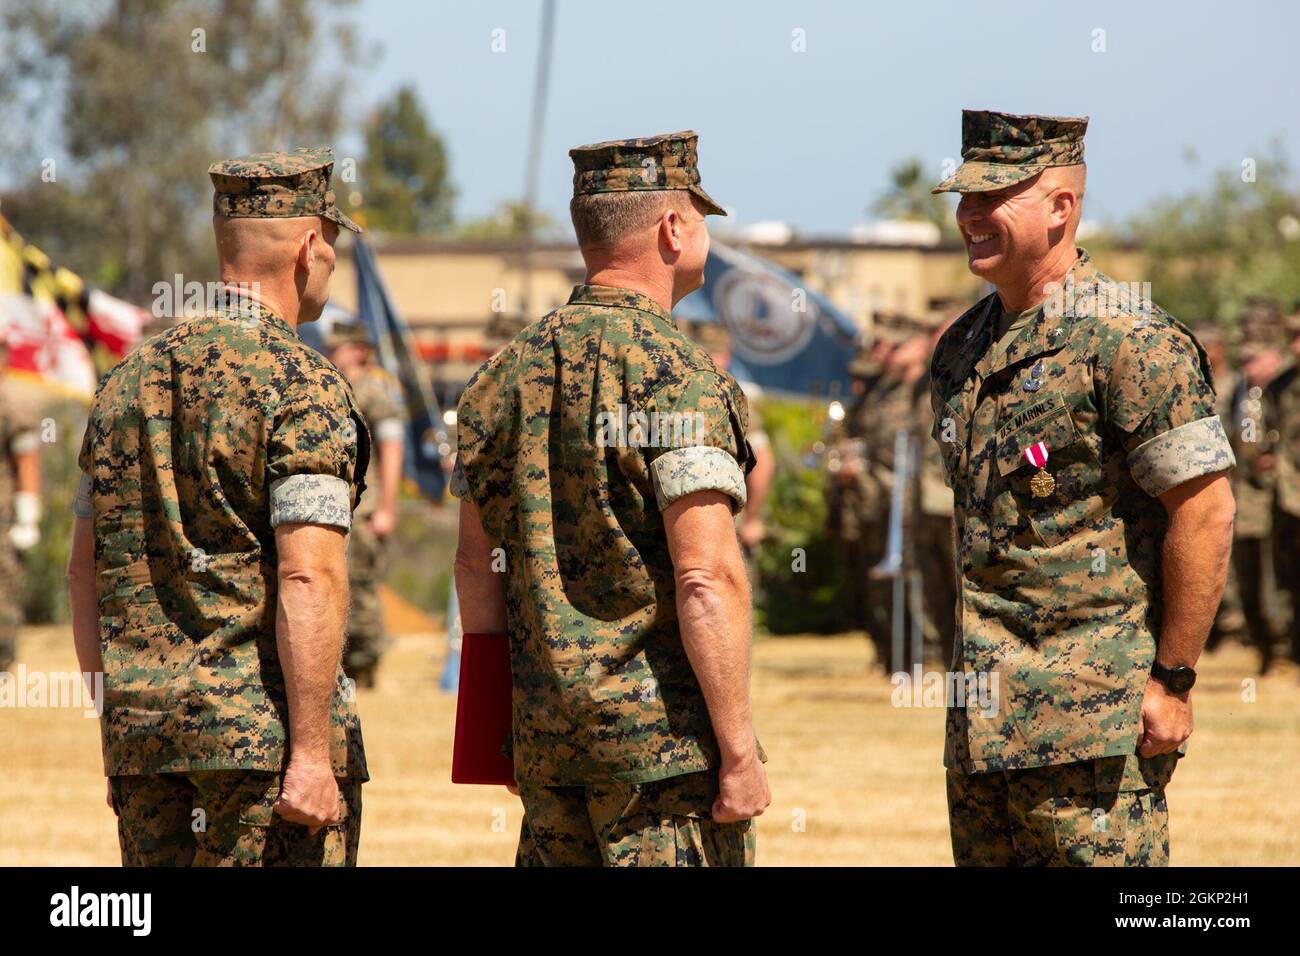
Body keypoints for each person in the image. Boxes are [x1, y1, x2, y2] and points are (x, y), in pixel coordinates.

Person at [452, 130, 770, 866]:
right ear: (672, 228)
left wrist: (500, 733)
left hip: (547, 750)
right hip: (661, 762)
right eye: (702, 219)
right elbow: (704, 577)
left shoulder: (498, 381)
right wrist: (739, 752)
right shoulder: (680, 377)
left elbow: (475, 569)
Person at [929, 110, 1236, 866]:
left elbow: (1205, 513)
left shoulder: (1130, 340)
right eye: (963, 198)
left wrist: (1174, 680)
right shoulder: (961, 348)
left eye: (992, 198)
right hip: (982, 725)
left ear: (1061, 207)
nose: (969, 215)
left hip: (1093, 729)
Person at [67, 147, 370, 866]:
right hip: (263, 761)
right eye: (333, 244)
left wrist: (119, 731)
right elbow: (308, 577)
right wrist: (312, 756)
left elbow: (83, 574)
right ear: (308, 247)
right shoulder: (303, 385)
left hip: (149, 748)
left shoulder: (124, 384)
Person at [326, 322, 406, 688]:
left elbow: (392, 449)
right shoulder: (327, 385)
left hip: (366, 508)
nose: (334, 353)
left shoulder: (374, 391)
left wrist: (388, 507)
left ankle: (365, 663)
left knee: (362, 583)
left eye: (341, 347)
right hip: (333, 506)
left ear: (359, 349)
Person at [1225, 299, 1286, 672]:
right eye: (1243, 359)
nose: (1247, 366)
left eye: (1254, 359)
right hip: (1244, 500)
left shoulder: (1285, 389)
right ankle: (1265, 650)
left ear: (1274, 357)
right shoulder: (1240, 393)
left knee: (1276, 580)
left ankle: (1282, 651)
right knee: (1248, 582)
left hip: (1278, 500)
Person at [0, 328, 42, 672]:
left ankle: (2, 665)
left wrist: (28, 515)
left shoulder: (10, 408)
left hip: (3, 522)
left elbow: (26, 460)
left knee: (4, 595)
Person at [1266, 305, 1300, 673]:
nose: (1296, 343)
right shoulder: (1280, 386)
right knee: (1288, 578)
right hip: (1287, 497)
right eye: (1291, 335)